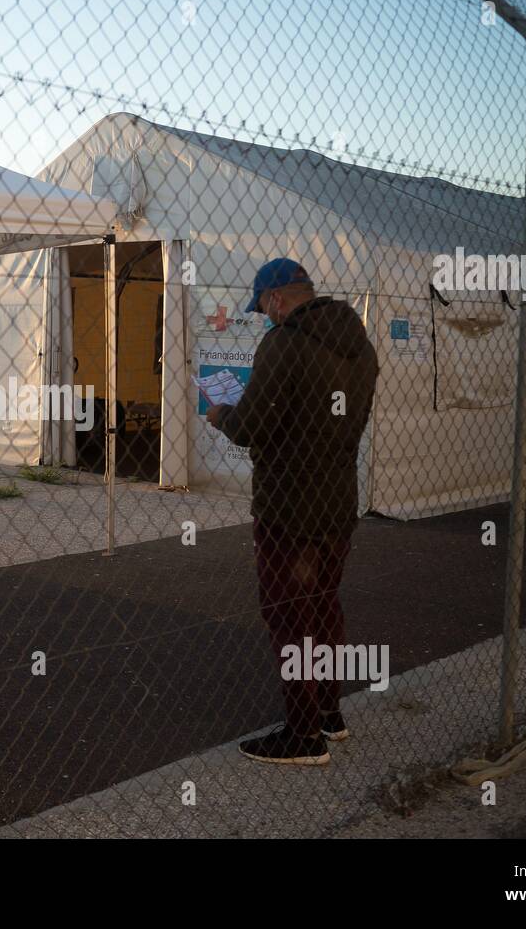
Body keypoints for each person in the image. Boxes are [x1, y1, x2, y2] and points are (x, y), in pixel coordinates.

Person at [205, 258, 378, 766]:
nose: (263, 317)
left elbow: (250, 427)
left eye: (262, 308)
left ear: (277, 298)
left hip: (287, 505)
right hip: (336, 502)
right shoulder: (361, 347)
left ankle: (303, 737)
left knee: (288, 618)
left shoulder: (284, 343)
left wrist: (220, 413)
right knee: (325, 609)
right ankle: (328, 714)